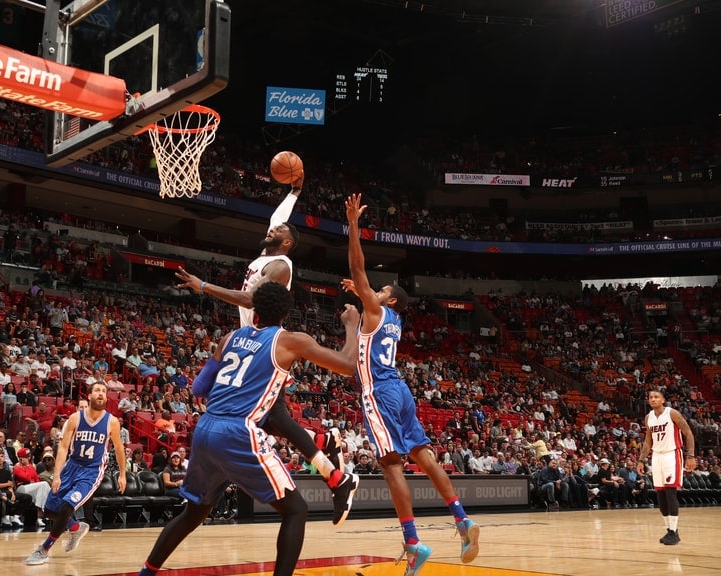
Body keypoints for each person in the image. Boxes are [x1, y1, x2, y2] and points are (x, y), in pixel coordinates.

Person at [135, 281, 360, 576]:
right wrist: (353, 324)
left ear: (254, 312)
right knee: (295, 510)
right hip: (239, 431)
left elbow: (200, 387)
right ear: (285, 314)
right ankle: (332, 471)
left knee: (193, 514)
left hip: (205, 428)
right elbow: (346, 364)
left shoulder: (230, 337)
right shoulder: (290, 340)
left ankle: (146, 573)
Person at [174, 176, 357, 524]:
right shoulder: (266, 253)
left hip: (265, 344)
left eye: (279, 231)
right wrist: (294, 192)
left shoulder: (281, 265)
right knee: (276, 419)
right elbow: (278, 218)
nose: (272, 229)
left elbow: (249, 298)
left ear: (286, 242)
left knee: (273, 419)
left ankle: (334, 470)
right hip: (250, 342)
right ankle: (334, 468)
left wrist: (203, 286)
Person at [343, 194, 479, 573]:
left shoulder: (377, 310)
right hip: (401, 391)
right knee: (423, 454)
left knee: (391, 466)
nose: (378, 289)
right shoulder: (393, 321)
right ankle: (462, 519)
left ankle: (413, 542)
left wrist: (353, 225)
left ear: (390, 300)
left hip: (380, 394)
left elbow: (358, 267)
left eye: (382, 290)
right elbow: (365, 293)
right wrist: (360, 294)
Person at [25, 381, 127, 565]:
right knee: (49, 510)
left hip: (92, 471)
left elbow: (119, 449)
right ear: (89, 395)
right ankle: (75, 527)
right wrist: (56, 475)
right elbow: (63, 448)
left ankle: (44, 549)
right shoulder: (76, 418)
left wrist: (122, 474)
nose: (101, 394)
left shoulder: (111, 421)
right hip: (71, 467)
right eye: (97, 390)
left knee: (66, 506)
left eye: (104, 391)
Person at [637, 388, 697, 545]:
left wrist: (690, 456)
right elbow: (648, 441)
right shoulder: (648, 417)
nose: (653, 399)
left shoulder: (672, 413)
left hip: (672, 454)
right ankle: (670, 530)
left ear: (663, 400)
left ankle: (674, 531)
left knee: (671, 492)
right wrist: (641, 460)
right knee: (660, 495)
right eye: (650, 397)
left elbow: (688, 433)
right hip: (657, 456)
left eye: (656, 397)